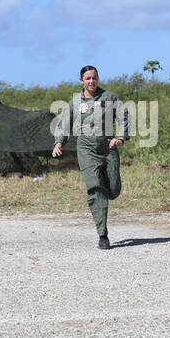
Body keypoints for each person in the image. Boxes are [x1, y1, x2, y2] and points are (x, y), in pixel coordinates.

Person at [51, 65, 131, 249]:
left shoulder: (108, 97)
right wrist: (59, 142)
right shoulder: (75, 102)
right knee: (96, 189)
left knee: (112, 187)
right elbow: (65, 122)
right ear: (81, 81)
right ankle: (103, 234)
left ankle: (110, 192)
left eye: (94, 78)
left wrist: (120, 137)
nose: (91, 81)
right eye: (87, 78)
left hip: (108, 146)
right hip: (86, 148)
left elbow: (123, 115)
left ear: (98, 79)